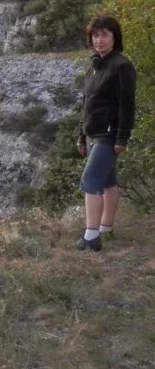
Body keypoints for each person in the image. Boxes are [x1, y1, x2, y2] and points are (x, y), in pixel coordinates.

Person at [76, 14, 136, 251]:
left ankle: (91, 237)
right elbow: (87, 105)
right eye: (95, 36)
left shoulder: (122, 66)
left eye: (104, 35)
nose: (99, 40)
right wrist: (82, 136)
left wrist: (122, 138)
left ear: (114, 38)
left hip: (109, 135)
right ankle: (105, 227)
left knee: (90, 180)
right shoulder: (93, 68)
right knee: (108, 181)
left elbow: (126, 105)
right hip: (93, 133)